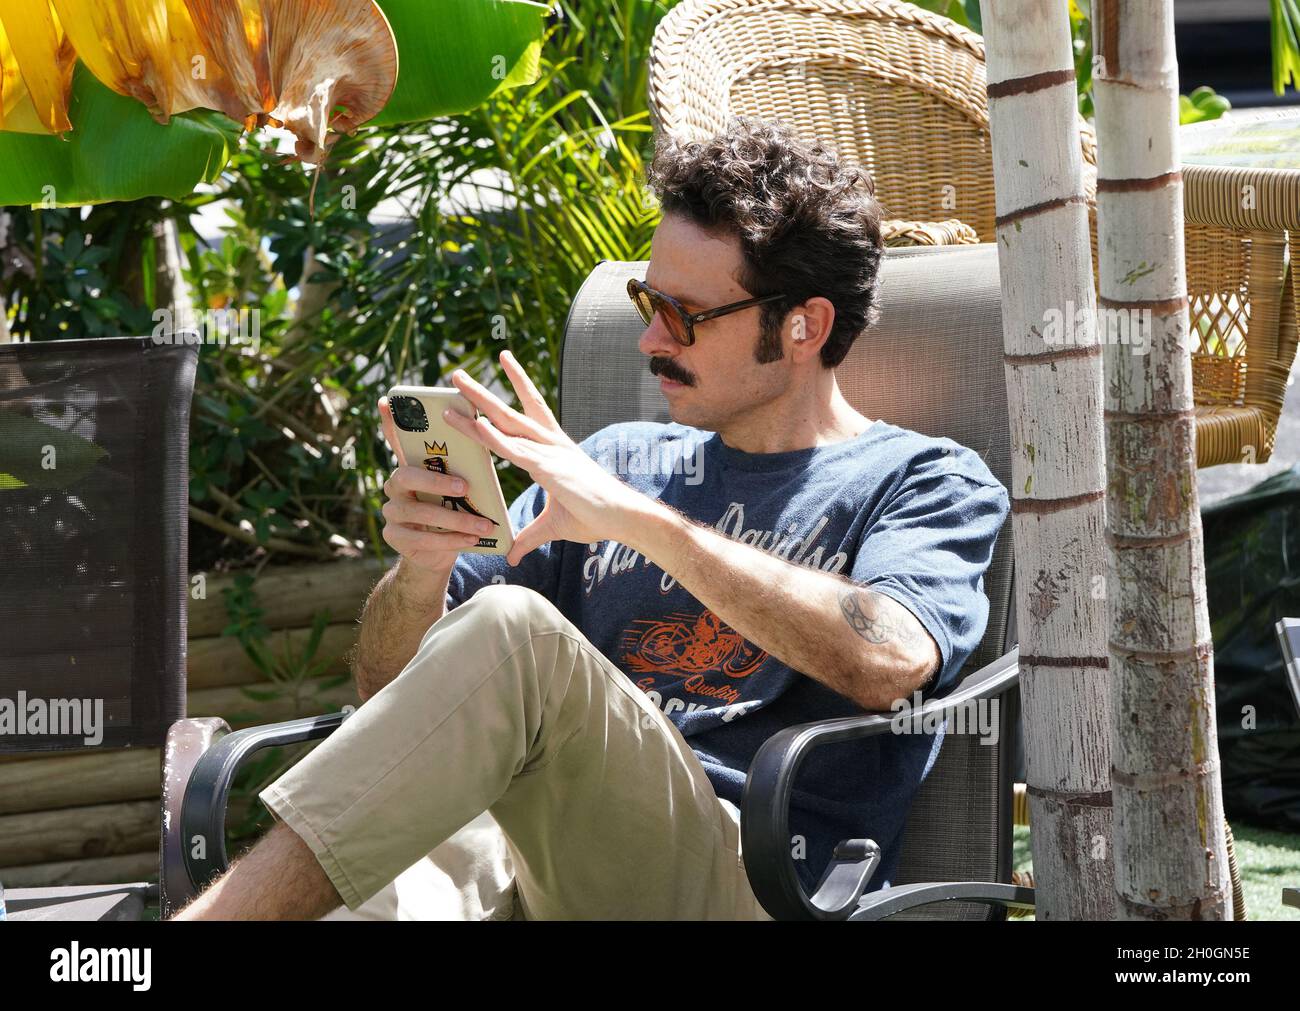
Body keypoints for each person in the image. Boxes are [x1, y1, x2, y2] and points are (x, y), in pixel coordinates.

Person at [173, 119, 1009, 921]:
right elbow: (392, 698)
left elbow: (889, 659)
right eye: (649, 300)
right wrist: (422, 568)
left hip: (753, 878)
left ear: (804, 325)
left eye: (684, 314)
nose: (649, 339)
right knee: (389, 867)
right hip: (543, 856)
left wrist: (642, 524)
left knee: (516, 632)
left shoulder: (924, 479)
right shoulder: (614, 460)